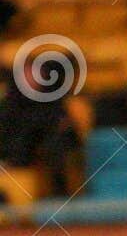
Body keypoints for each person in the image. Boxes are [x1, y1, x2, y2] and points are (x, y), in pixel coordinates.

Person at [0, 66, 82, 197]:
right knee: (19, 141)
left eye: (36, 74)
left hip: (49, 140)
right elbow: (8, 127)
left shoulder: (53, 97)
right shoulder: (11, 101)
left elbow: (61, 122)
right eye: (27, 75)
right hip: (21, 144)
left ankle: (59, 195)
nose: (31, 79)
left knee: (55, 146)